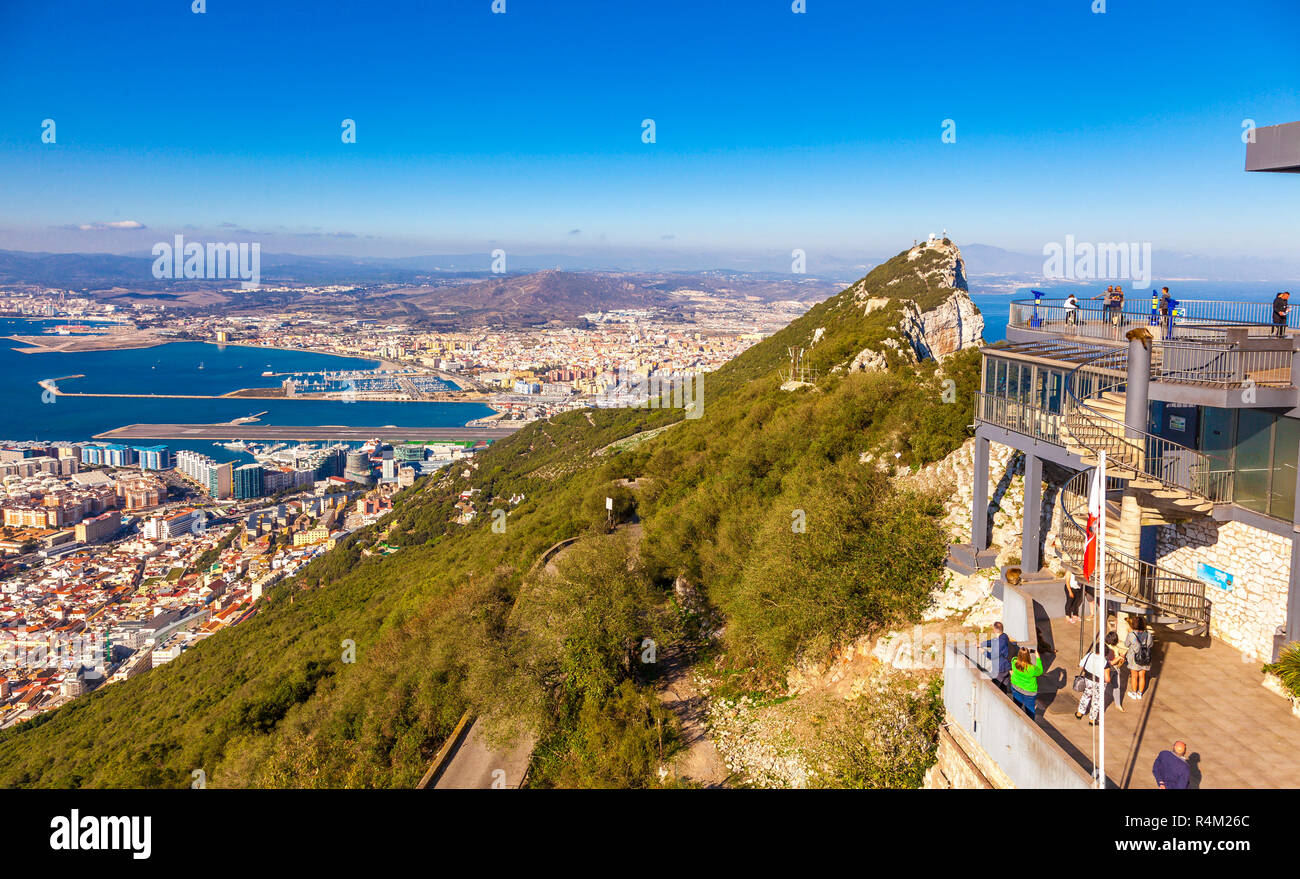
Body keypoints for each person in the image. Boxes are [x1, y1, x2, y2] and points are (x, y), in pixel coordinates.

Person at [1075, 639, 1112, 724]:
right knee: (1096, 701)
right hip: (1099, 683)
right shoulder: (1105, 662)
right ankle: (1092, 719)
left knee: (1085, 696)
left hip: (1087, 679)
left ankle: (1079, 713)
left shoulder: (1089, 655)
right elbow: (1107, 679)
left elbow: (1081, 665)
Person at [1008, 645, 1044, 719]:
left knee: (1017, 706)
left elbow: (1013, 658)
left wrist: (1023, 653)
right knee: (1030, 710)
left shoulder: (1014, 663)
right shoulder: (1032, 669)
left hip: (1016, 687)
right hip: (1029, 692)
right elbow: (1040, 671)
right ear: (1028, 656)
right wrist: (1038, 657)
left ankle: (1014, 719)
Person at [1126, 615, 1154, 700]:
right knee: (1142, 676)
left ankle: (1134, 693)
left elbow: (1126, 644)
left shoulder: (1131, 634)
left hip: (1134, 658)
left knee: (1134, 676)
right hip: (1145, 657)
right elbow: (1151, 644)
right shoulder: (1148, 634)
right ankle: (1140, 693)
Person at [981, 622, 1011, 693]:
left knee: (994, 689)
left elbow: (992, 656)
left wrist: (983, 652)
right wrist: (982, 644)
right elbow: (993, 641)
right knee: (1003, 688)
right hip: (1006, 666)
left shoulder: (1000, 642)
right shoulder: (1004, 636)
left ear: (995, 630)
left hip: (1000, 669)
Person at [1105, 631, 1125, 713]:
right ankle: (1117, 704)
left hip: (1112, 669)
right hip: (1111, 669)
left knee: (1116, 687)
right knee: (1116, 687)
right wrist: (1119, 658)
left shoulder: (1106, 646)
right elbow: (1111, 662)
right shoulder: (1110, 650)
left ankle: (1118, 704)